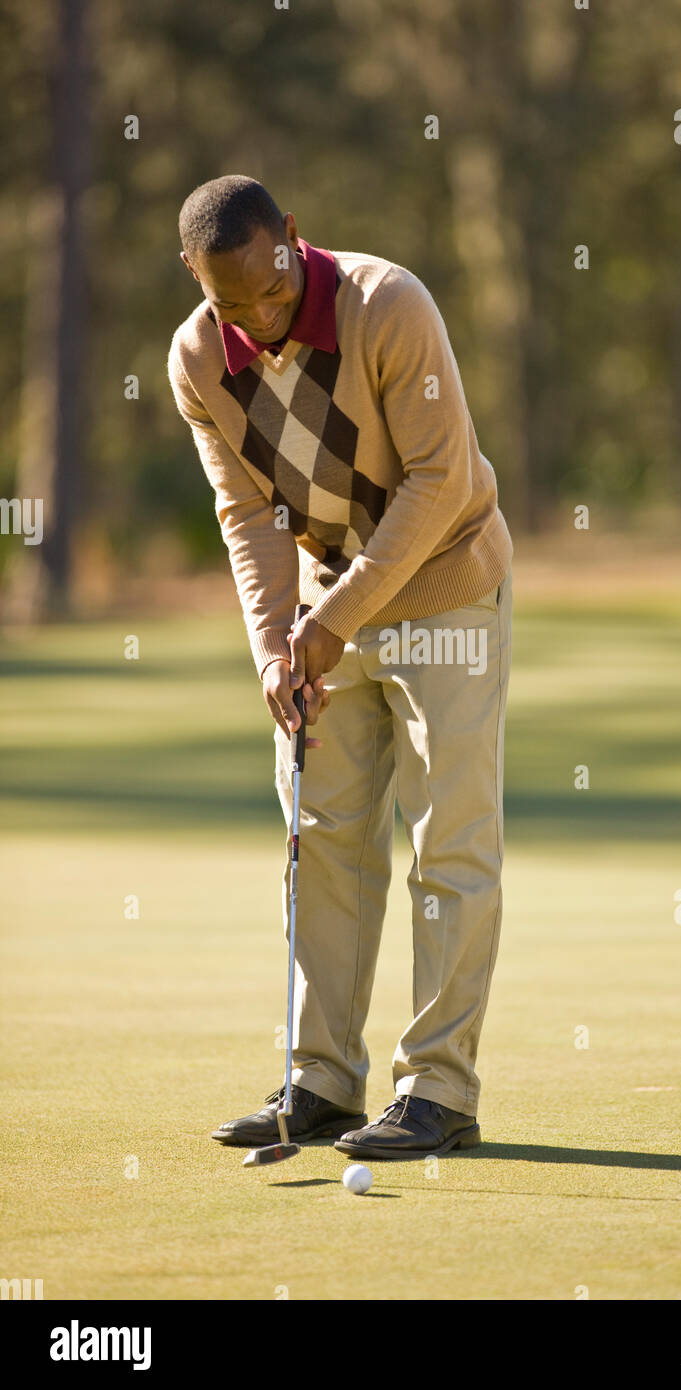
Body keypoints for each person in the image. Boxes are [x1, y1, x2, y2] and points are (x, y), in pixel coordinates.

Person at [168, 175, 513, 1159]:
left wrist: (328, 622)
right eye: (236, 307)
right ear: (198, 285)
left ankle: (438, 1092)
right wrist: (276, 645)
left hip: (445, 586)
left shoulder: (386, 305)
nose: (263, 321)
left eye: (274, 294)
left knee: (448, 837)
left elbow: (439, 480)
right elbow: (248, 515)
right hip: (326, 605)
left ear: (293, 242)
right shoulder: (198, 358)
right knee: (319, 836)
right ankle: (320, 1083)